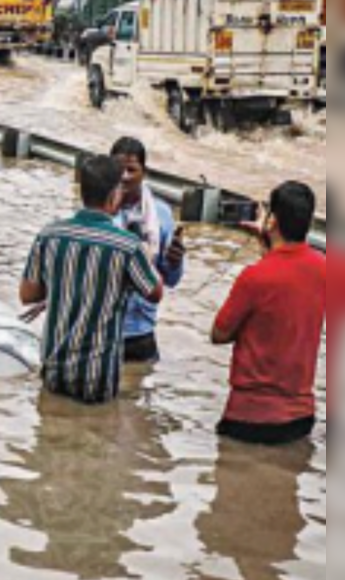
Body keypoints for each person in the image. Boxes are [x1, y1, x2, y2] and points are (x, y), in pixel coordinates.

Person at [20, 155, 164, 404]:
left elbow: (27, 295)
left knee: (52, 434)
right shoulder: (128, 246)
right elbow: (155, 292)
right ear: (113, 195)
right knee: (95, 438)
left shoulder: (49, 235)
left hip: (54, 367)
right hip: (98, 375)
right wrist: (149, 252)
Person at [211, 182, 325, 445]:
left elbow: (219, 334)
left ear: (271, 220)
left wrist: (267, 255)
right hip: (300, 419)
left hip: (249, 417)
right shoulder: (325, 269)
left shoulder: (254, 277)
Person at [110, 138, 187, 363]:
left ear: (144, 172)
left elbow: (170, 280)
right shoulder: (100, 210)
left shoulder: (160, 214)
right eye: (118, 170)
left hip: (140, 330)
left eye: (131, 170)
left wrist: (174, 261)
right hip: (102, 330)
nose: (124, 176)